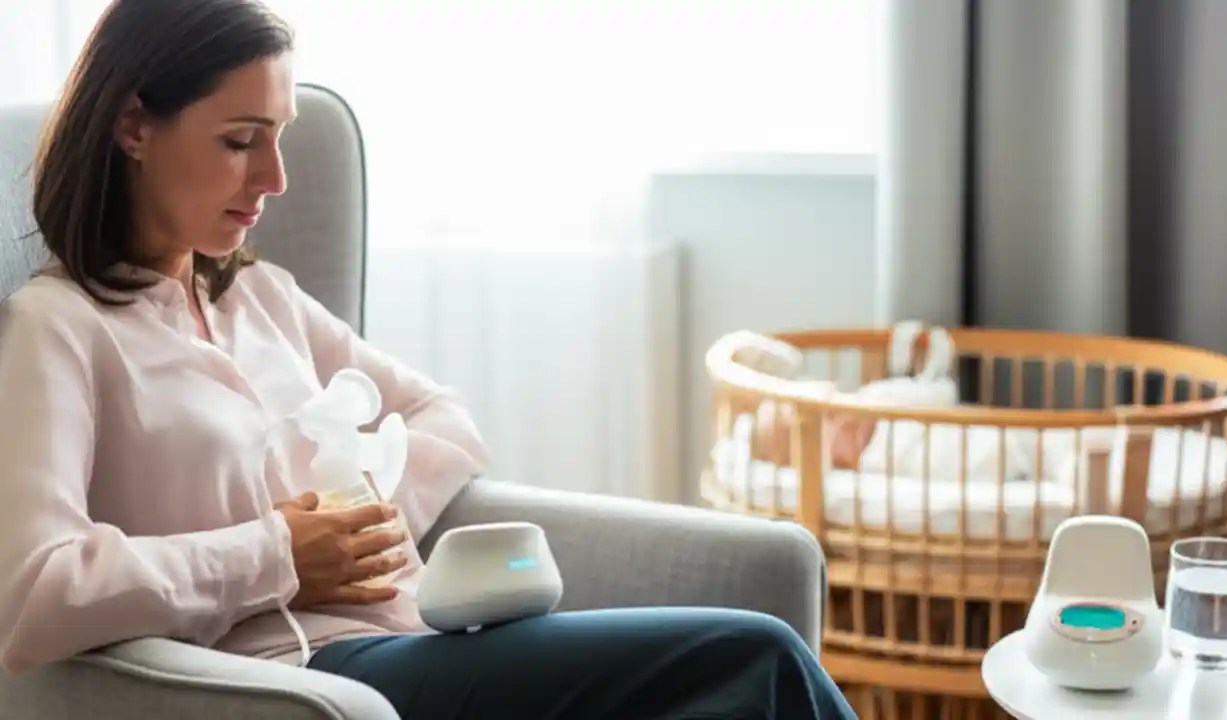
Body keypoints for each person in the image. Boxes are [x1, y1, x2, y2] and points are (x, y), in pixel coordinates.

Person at [0, 1, 857, 718]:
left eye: (280, 136)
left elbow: (440, 416)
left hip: (423, 637)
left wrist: (364, 526)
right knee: (756, 656)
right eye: (240, 140)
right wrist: (279, 554)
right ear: (132, 126)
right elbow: (34, 591)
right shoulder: (59, 327)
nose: (276, 177)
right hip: (310, 679)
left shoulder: (261, 298)